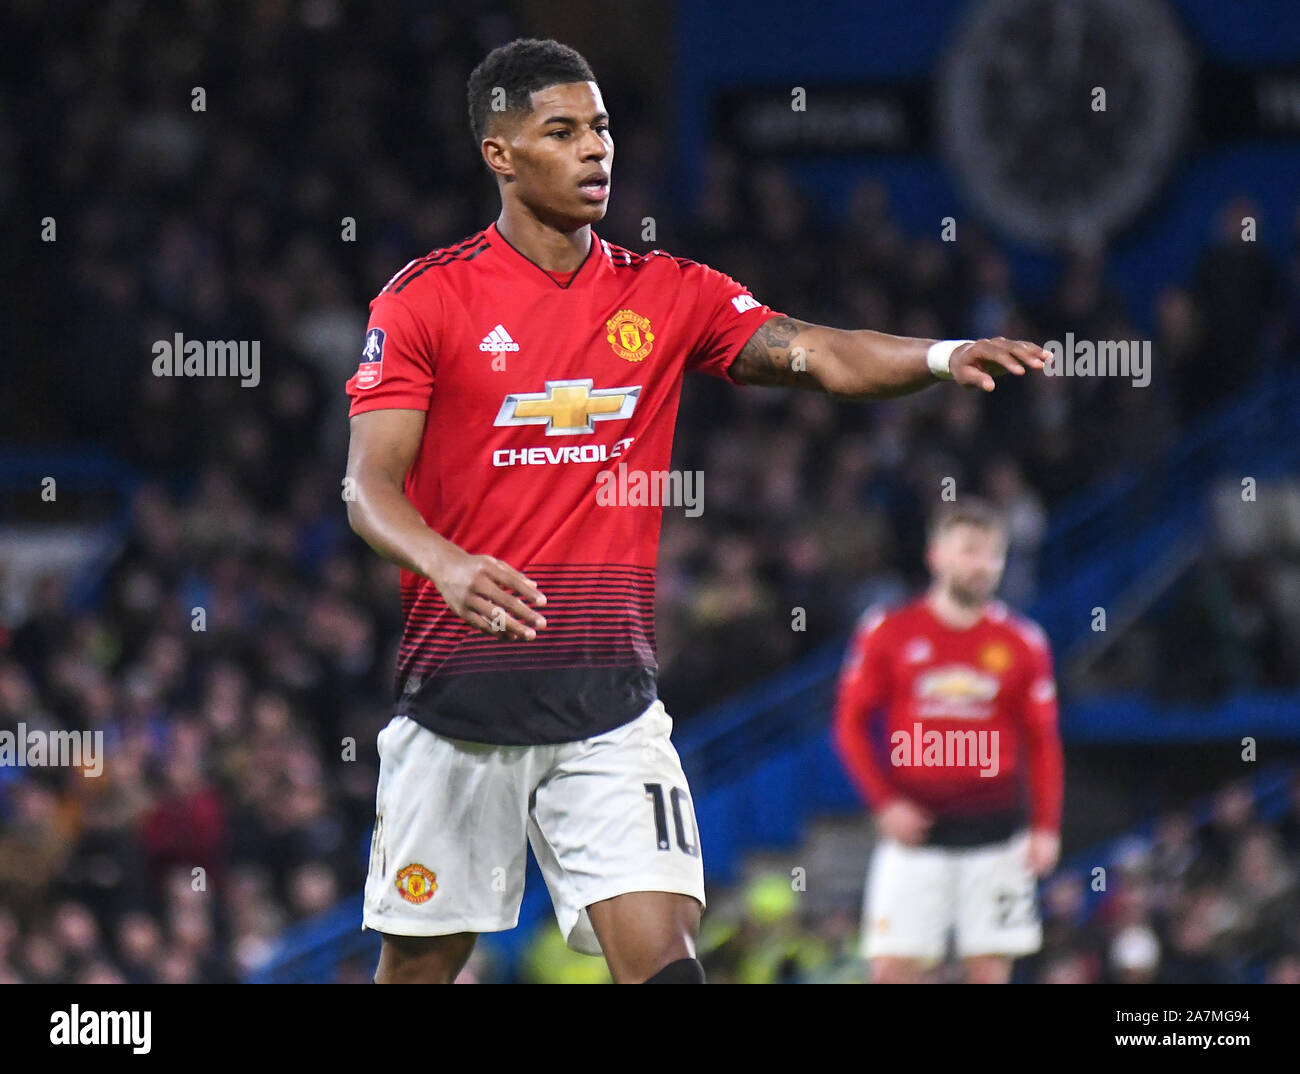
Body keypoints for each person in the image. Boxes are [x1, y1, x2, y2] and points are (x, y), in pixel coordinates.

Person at [343, 37, 1051, 984]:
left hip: (609, 714)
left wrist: (939, 355)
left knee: (671, 969)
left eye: (600, 127)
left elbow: (823, 355)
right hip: (458, 713)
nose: (596, 149)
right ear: (499, 154)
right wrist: (446, 561)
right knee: (421, 971)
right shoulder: (428, 300)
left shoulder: (667, 292)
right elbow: (367, 486)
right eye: (562, 131)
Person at [833, 498, 1064, 984]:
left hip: (998, 837)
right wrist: (884, 803)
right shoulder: (889, 632)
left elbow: (1043, 741)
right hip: (916, 837)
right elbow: (849, 725)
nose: (982, 565)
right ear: (936, 555)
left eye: (992, 554)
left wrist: (1046, 826)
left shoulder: (1023, 641)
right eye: (970, 551)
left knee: (989, 971)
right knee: (892, 971)